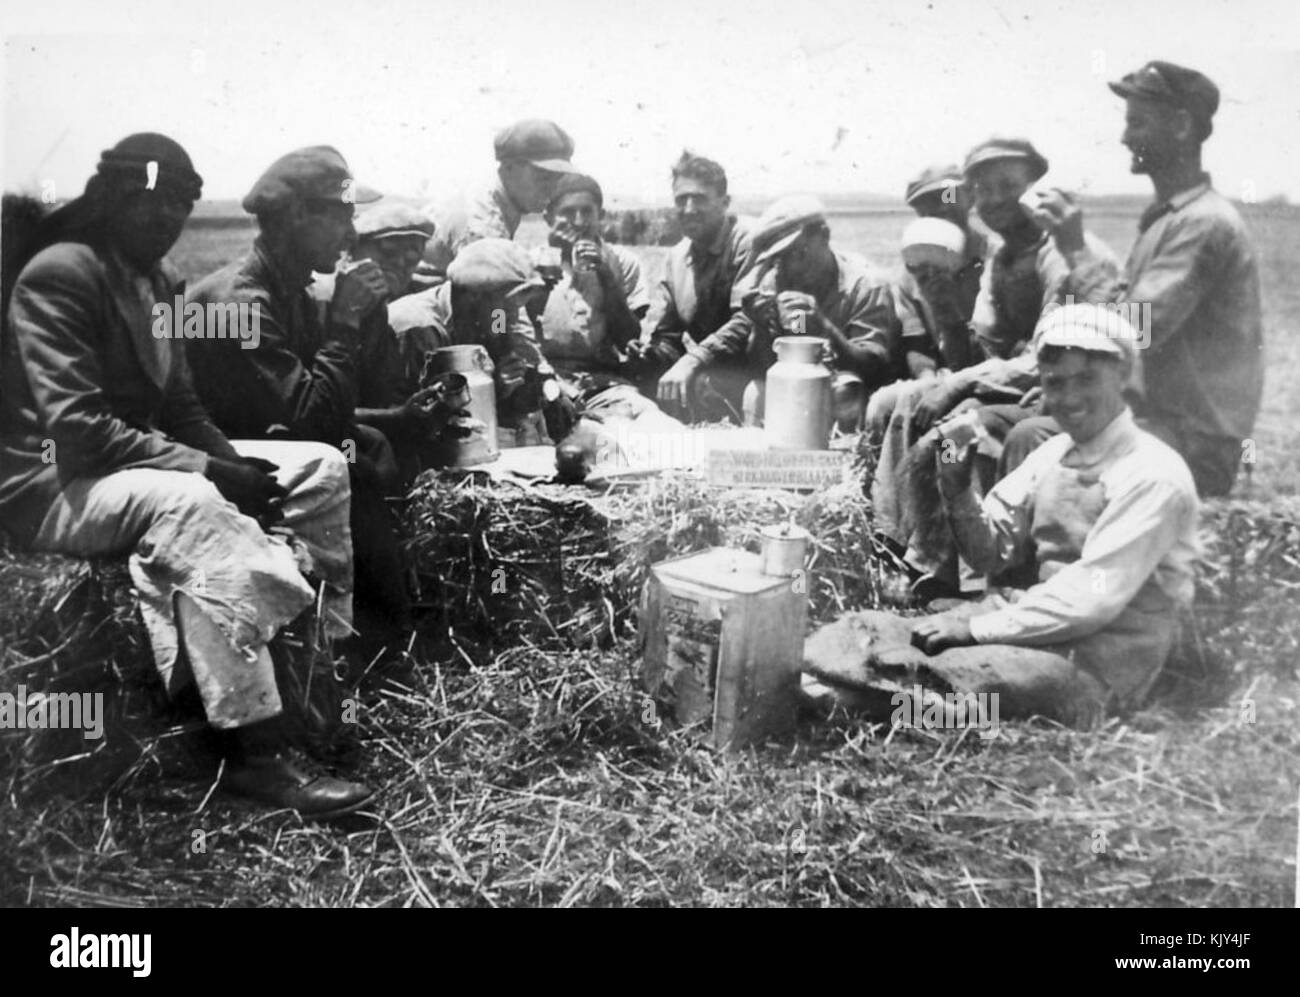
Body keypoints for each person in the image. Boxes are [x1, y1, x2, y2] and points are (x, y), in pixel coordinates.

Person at [0, 134, 372, 817]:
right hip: (54, 486)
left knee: (319, 464)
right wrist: (211, 471)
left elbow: (181, 406)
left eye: (179, 203)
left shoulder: (160, 282)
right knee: (194, 502)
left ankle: (319, 682)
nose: (164, 217)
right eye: (150, 200)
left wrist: (233, 462)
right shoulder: (62, 273)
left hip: (129, 469)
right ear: (110, 197)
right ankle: (254, 754)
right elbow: (78, 428)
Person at [807, 304, 1199, 725]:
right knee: (872, 630)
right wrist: (957, 490)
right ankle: (835, 685)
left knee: (961, 679)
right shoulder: (1054, 453)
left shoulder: (1153, 474)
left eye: (1086, 379)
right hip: (1037, 618)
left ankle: (843, 701)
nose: (1068, 398)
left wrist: (977, 631)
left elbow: (1092, 601)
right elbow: (991, 554)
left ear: (1122, 376)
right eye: (1055, 382)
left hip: (1106, 655)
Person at [869, 139, 1119, 597]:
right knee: (909, 401)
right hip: (1021, 384)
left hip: (1066, 389)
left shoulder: (1059, 255)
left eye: (1010, 186)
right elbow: (982, 357)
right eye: (984, 189)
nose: (996, 198)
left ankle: (947, 571)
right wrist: (943, 309)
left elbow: (1052, 356)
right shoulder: (1003, 260)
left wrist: (961, 383)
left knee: (951, 435)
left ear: (1035, 188)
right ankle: (893, 542)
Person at [186, 146, 413, 634]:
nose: (351, 234)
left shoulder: (290, 292)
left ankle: (392, 607)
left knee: (372, 444)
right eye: (339, 218)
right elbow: (314, 419)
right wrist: (346, 323)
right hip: (212, 460)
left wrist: (365, 320)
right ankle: (371, 636)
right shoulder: (241, 302)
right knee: (356, 466)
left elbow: (328, 403)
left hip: (256, 438)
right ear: (295, 216)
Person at [1026, 61, 1264, 497]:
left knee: (1034, 439)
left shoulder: (1203, 224)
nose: (1124, 137)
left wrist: (1076, 249)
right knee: (1025, 426)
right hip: (1157, 425)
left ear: (1179, 125)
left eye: (1137, 122)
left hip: (1193, 444)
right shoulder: (1169, 220)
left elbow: (1133, 329)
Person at [667, 194, 909, 430]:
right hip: (803, 388)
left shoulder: (865, 284)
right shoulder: (777, 283)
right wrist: (761, 328)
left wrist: (825, 329)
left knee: (846, 391)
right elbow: (765, 366)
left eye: (799, 252)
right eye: (780, 259)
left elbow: (874, 366)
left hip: (856, 389)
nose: (792, 266)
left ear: (824, 236)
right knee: (752, 392)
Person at [310, 200, 463, 481]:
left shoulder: (377, 308)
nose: (400, 266)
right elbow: (314, 409)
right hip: (321, 439)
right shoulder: (323, 301)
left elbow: (379, 393)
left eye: (411, 259)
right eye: (388, 254)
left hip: (353, 429)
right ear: (350, 253)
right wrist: (398, 419)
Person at [388, 238, 562, 443]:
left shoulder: (495, 314)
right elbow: (416, 418)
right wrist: (492, 390)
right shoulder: (421, 329)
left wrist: (509, 388)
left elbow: (503, 354)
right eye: (507, 306)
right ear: (474, 296)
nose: (512, 315)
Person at [646, 152, 756, 420]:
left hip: (757, 364)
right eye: (681, 199)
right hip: (709, 367)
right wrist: (649, 352)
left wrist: (693, 360)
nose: (689, 209)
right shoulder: (676, 259)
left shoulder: (749, 241)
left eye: (700, 198)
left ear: (725, 202)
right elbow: (667, 332)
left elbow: (748, 318)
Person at [421, 119, 580, 275]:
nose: (551, 188)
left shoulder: (499, 197)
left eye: (558, 178)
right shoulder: (483, 219)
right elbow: (487, 292)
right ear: (509, 167)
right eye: (543, 176)